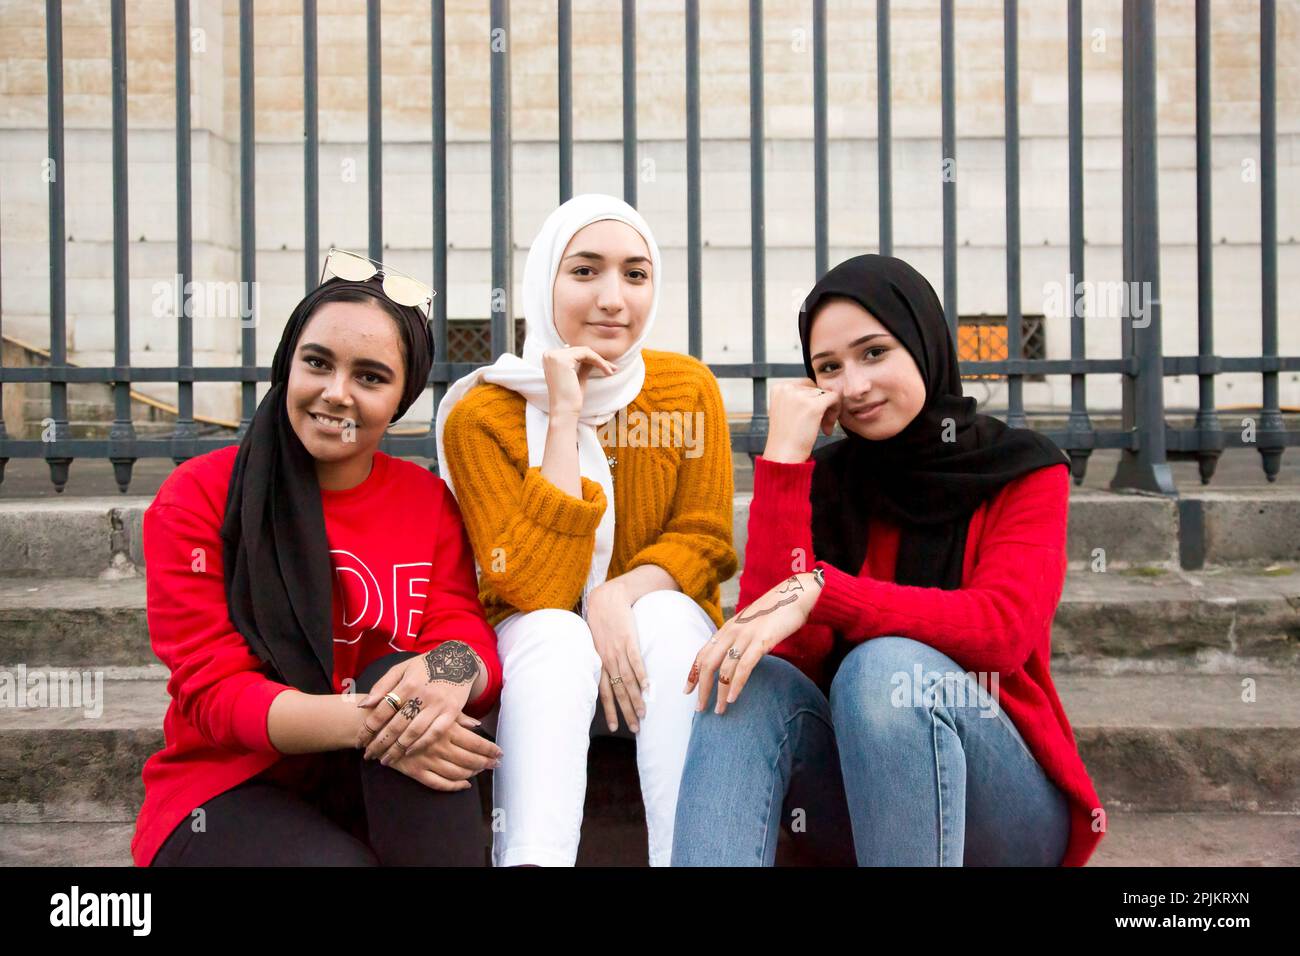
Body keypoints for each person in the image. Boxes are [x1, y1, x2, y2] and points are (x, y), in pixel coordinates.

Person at [672, 253, 1105, 867]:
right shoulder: (828, 481)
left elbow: (1003, 631)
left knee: (884, 672)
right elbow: (774, 643)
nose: (853, 386)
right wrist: (785, 463)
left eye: (874, 352)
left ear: (922, 341)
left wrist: (825, 590)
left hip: (1004, 815)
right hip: (851, 809)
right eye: (829, 367)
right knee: (748, 679)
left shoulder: (1022, 468)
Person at [132, 250, 503, 866]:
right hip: (231, 788)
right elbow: (215, 693)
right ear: (288, 363)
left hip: (373, 775)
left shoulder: (426, 502)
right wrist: (385, 719)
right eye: (317, 363)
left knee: (412, 674)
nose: (336, 394)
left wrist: (453, 671)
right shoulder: (198, 497)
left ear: (401, 396)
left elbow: (462, 628)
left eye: (370, 376)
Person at [435, 194, 737, 866]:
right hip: (538, 649)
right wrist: (564, 419)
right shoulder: (482, 414)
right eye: (584, 272)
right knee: (556, 634)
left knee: (664, 611)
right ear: (544, 280)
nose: (612, 298)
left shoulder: (686, 390)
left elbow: (706, 537)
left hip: (652, 652)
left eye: (634, 274)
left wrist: (616, 594)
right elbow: (531, 585)